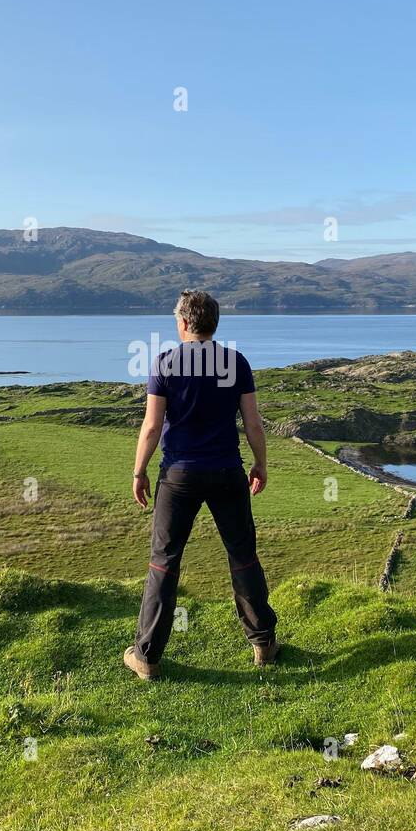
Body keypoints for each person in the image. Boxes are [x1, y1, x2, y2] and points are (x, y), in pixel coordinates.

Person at [123, 289, 278, 680]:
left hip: (178, 476)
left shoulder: (164, 363)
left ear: (184, 323)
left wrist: (139, 471)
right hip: (227, 471)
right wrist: (260, 463)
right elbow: (253, 423)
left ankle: (147, 657)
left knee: (164, 561)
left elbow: (153, 426)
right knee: (243, 555)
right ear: (213, 323)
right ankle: (263, 644)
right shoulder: (236, 362)